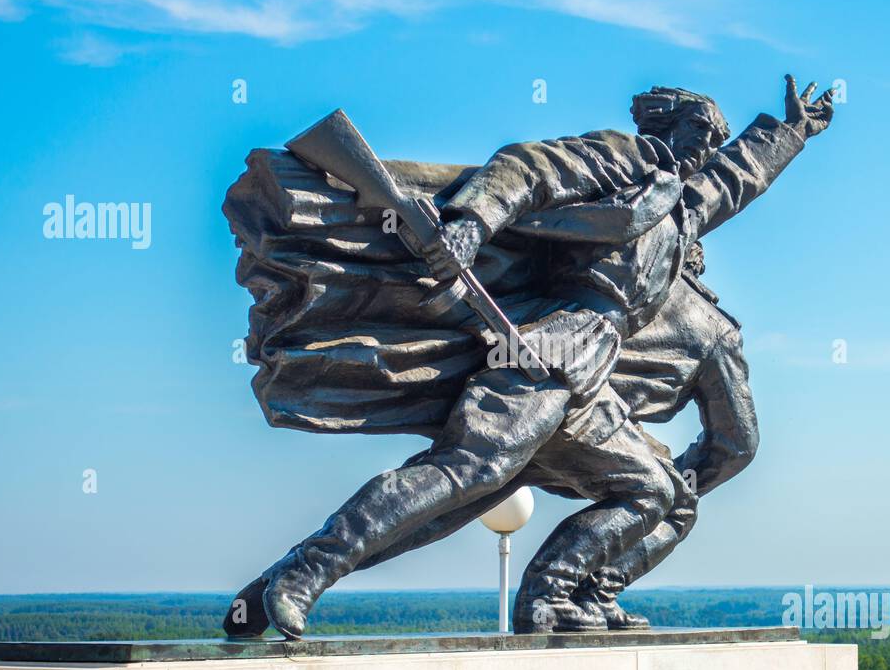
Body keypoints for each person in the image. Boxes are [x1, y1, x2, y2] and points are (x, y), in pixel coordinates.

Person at [224, 77, 833, 639]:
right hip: (552, 344)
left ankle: (552, 599)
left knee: (655, 490)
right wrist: (473, 220)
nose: (710, 149)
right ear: (668, 128)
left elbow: (735, 179)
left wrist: (791, 132)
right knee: (469, 475)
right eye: (703, 135)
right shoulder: (627, 160)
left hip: (591, 369)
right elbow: (529, 168)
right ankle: (305, 572)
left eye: (716, 142)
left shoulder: (676, 203)